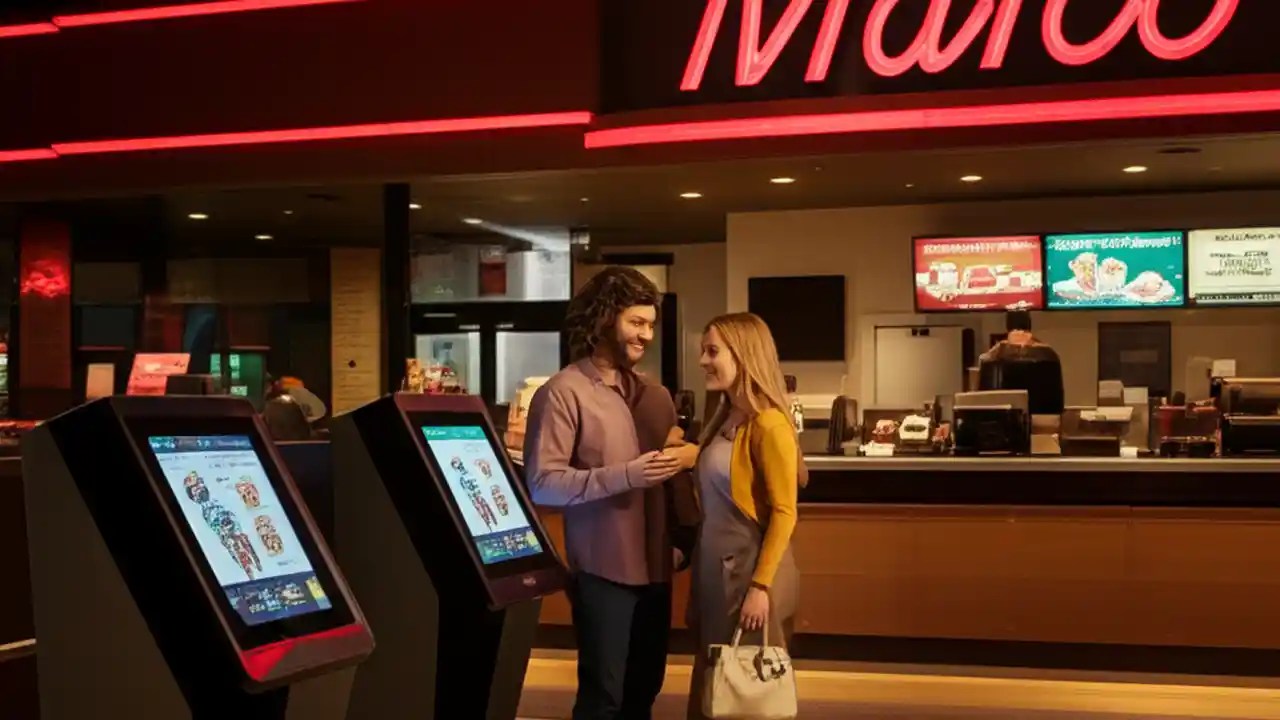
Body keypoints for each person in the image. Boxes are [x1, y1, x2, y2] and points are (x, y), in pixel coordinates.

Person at [523, 266, 699, 720]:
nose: (646, 336)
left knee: (645, 692)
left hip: (657, 572)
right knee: (604, 700)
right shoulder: (563, 393)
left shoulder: (657, 396)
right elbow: (543, 483)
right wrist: (625, 475)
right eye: (636, 323)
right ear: (604, 320)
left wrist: (682, 545)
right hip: (602, 574)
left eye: (651, 326)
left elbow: (673, 482)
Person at [687, 312, 802, 720]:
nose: (702, 360)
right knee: (716, 683)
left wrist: (760, 586)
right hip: (717, 573)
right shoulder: (725, 417)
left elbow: (786, 514)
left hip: (751, 576)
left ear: (744, 354)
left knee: (748, 689)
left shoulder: (769, 424)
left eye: (713, 351)